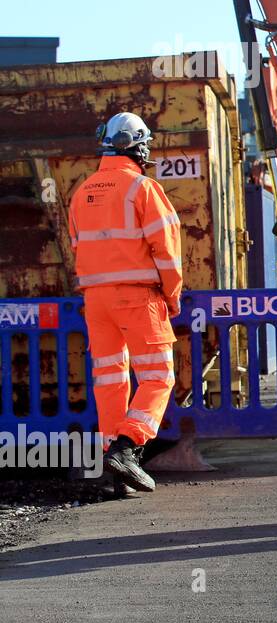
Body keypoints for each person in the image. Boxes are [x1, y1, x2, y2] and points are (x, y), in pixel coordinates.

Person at [69, 112, 183, 493]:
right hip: (136, 296)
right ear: (139, 146)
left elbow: (77, 248)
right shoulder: (143, 189)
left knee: (110, 380)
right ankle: (128, 445)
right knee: (158, 376)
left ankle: (112, 472)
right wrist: (171, 295)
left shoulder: (81, 192)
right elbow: (166, 251)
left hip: (96, 300)